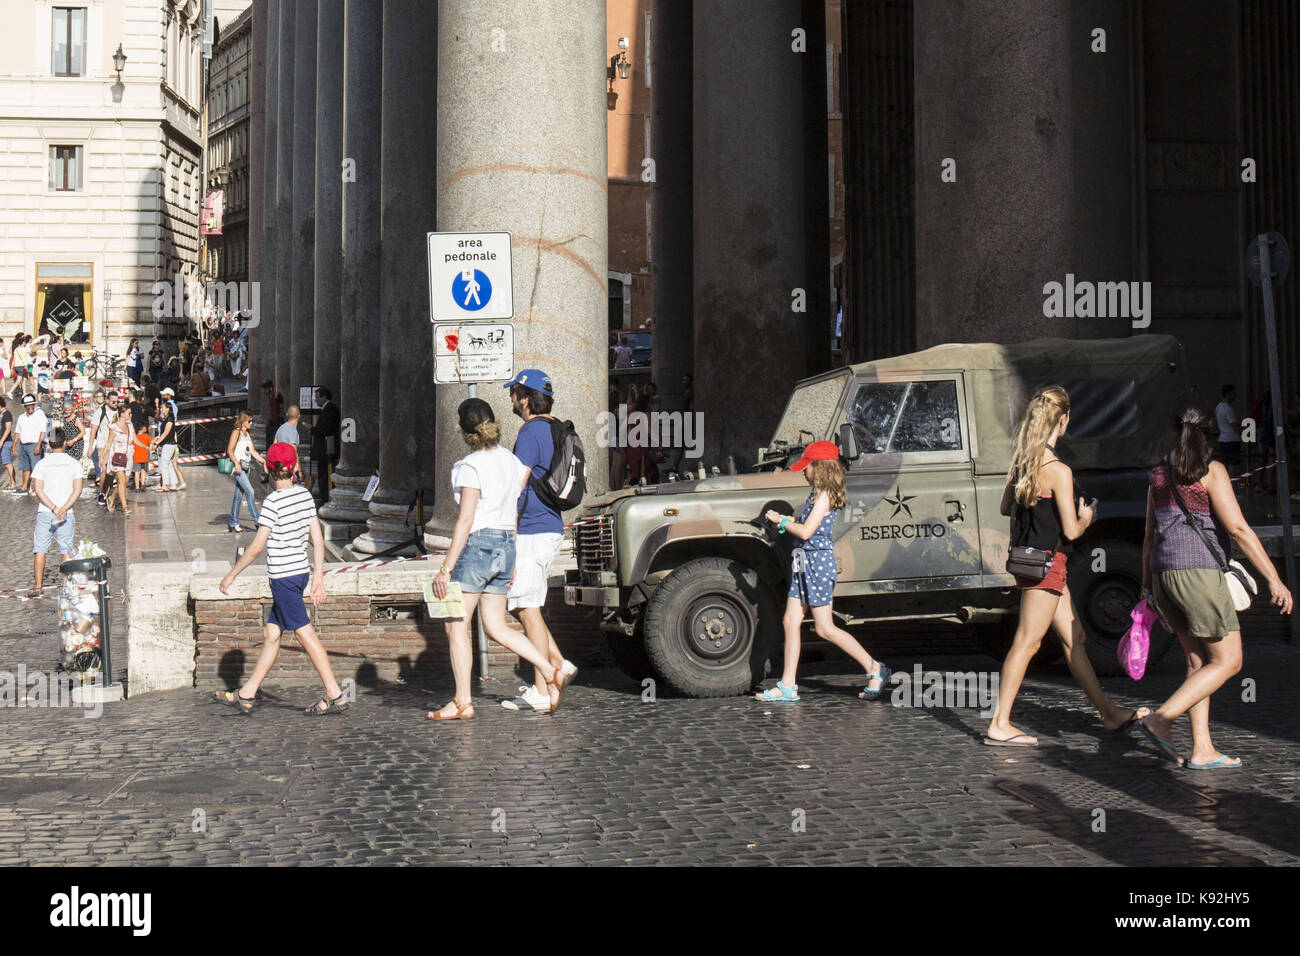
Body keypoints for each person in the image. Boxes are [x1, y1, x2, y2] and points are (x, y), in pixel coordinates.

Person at [984, 386, 1147, 745]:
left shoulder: (1023, 461)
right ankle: (999, 723)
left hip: (1030, 561)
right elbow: (1072, 532)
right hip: (1049, 564)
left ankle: (1108, 713)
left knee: (1076, 640)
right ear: (1064, 420)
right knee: (1027, 642)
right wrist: (1086, 516)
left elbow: (1003, 507)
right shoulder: (1059, 470)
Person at [1137, 407, 1293, 769]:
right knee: (1229, 660)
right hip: (1199, 575)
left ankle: (1202, 749)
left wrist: (1147, 589)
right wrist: (1274, 578)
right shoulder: (1212, 471)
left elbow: (1148, 536)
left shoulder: (1158, 474)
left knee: (1197, 662)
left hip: (1163, 575)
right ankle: (1161, 718)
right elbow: (1238, 529)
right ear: (1209, 436)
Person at [427, 398, 571, 720]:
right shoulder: (511, 462)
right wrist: (514, 555)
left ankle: (463, 701)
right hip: (507, 544)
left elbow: (465, 521)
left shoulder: (470, 466)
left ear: (463, 431)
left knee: (456, 626)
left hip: (479, 545)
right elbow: (515, 511)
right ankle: (550, 669)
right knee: (495, 625)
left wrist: (445, 569)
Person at [216, 442, 350, 716]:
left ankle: (336, 694)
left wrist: (231, 574)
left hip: (282, 578)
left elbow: (256, 546)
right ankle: (247, 693)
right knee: (273, 633)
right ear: (294, 467)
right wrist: (318, 579)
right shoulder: (304, 496)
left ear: (267, 468)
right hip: (300, 574)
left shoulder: (272, 503)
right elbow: (318, 540)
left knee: (304, 633)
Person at [755, 441, 890, 702]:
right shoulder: (817, 495)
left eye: (807, 467)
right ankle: (787, 685)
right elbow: (805, 526)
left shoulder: (825, 495)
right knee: (790, 621)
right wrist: (787, 523)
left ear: (821, 467)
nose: (804, 472)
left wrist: (781, 521)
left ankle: (875, 667)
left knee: (825, 628)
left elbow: (807, 532)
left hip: (816, 565)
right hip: (805, 563)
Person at [501, 369, 579, 713]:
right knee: (524, 605)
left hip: (530, 530)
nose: (512, 399)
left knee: (525, 607)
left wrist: (508, 533)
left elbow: (516, 486)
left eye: (515, 393)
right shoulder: (556, 428)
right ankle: (559, 663)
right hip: (550, 527)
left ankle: (543, 688)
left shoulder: (530, 432)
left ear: (527, 398)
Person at [31, 426, 82, 591]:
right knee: (65, 549)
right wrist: (63, 508)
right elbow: (77, 490)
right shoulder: (74, 463)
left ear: (49, 443)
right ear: (65, 443)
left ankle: (38, 586)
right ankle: (67, 585)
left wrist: (53, 507)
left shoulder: (42, 464)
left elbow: (38, 490)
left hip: (45, 511)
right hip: (66, 512)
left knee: (40, 549)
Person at [226, 411, 265, 532]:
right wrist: (236, 464)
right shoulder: (236, 432)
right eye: (249, 421)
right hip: (238, 468)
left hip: (246, 467)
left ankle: (233, 522)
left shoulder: (247, 434)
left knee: (238, 495)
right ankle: (257, 520)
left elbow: (253, 451)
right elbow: (230, 450)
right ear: (243, 421)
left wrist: (264, 461)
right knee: (250, 491)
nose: (251, 423)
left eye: (252, 420)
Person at [308, 388, 340, 505]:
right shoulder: (326, 409)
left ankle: (326, 499)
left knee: (325, 476)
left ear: (324, 397)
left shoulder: (330, 409)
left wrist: (311, 429)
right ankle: (324, 498)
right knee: (322, 475)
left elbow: (325, 429)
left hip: (326, 450)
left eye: (317, 397)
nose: (315, 400)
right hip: (323, 451)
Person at [14, 394, 48, 496]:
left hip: (34, 444)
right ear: (25, 406)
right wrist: (14, 445)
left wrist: (38, 445)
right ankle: (25, 488)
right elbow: (17, 432)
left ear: (34, 405)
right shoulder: (21, 417)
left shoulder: (39, 415)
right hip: (23, 445)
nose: (30, 407)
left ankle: (39, 489)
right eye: (27, 405)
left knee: (36, 468)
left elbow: (43, 431)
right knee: (25, 468)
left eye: (31, 405)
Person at [104, 405, 133, 514]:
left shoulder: (130, 425)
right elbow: (108, 442)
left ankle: (111, 498)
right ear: (122, 414)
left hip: (128, 456)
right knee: (121, 480)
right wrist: (102, 457)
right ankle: (125, 507)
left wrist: (146, 446)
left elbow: (133, 439)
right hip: (117, 456)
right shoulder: (114, 427)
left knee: (124, 482)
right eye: (129, 413)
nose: (130, 415)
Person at [151, 401, 180, 491]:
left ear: (168, 409)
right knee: (168, 464)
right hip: (166, 443)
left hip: (169, 443)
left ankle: (165, 484)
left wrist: (156, 443)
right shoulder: (165, 419)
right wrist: (157, 439)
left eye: (162, 408)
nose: (161, 409)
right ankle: (173, 484)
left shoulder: (170, 419)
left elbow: (166, 433)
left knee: (164, 464)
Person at [1214, 384, 1242, 479]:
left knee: (1225, 463)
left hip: (1223, 438)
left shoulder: (1218, 407)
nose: (1235, 395)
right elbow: (1234, 425)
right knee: (1232, 464)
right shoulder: (1228, 409)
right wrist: (1247, 423)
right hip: (1231, 439)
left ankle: (1225, 484)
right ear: (1228, 394)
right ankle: (1231, 486)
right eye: (1233, 393)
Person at [274, 406, 305, 484]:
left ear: (287, 415)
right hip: (290, 467)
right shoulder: (293, 430)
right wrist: (299, 469)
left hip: (279, 465)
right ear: (299, 416)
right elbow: (293, 450)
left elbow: (274, 445)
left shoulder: (280, 428)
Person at [263, 380, 285, 449]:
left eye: (265, 389)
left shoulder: (275, 395)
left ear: (270, 388)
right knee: (269, 441)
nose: (264, 391)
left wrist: (277, 395)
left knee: (272, 441)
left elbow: (280, 399)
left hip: (275, 422)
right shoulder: (270, 396)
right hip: (271, 422)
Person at [0, 401, 14, 491]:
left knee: (7, 463)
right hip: (2, 442)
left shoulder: (7, 414)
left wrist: (1, 441)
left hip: (6, 442)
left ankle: (13, 484)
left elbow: (8, 429)